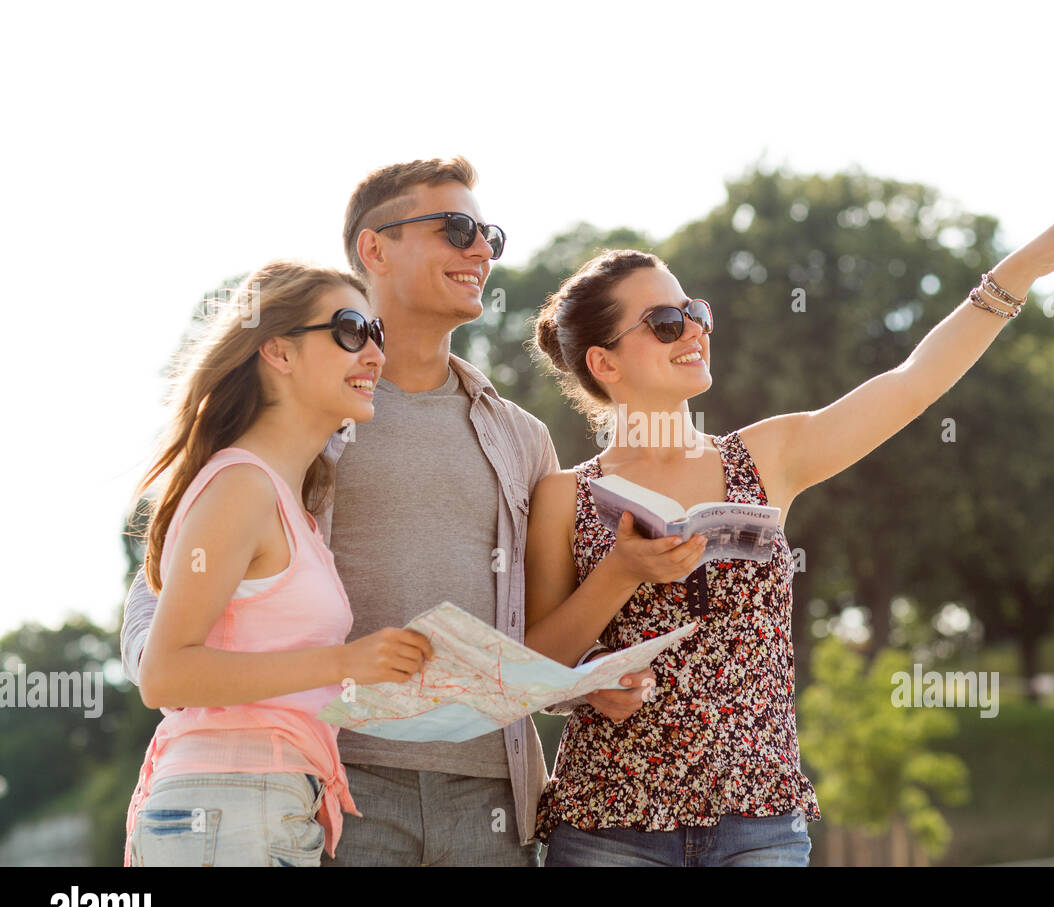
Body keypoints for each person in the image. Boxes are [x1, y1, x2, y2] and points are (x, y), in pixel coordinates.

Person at [525, 180, 1054, 866]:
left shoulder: (767, 456)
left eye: (695, 312)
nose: (694, 330)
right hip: (609, 827)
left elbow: (913, 381)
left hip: (758, 825)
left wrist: (1023, 268)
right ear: (603, 362)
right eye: (665, 322)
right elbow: (537, 675)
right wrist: (621, 574)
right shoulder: (562, 496)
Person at [120, 156, 654, 866]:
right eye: (456, 228)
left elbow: (531, 631)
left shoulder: (521, 439)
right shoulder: (302, 428)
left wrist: (580, 683)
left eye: (488, 234)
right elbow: (160, 610)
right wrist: (207, 707)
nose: (481, 251)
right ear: (374, 247)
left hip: (491, 791)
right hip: (336, 786)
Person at [125, 260, 434, 866]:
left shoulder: (287, 501)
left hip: (259, 802)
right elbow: (165, 674)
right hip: (230, 804)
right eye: (350, 330)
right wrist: (346, 662)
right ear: (279, 352)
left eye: (378, 333)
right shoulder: (243, 486)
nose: (374, 353)